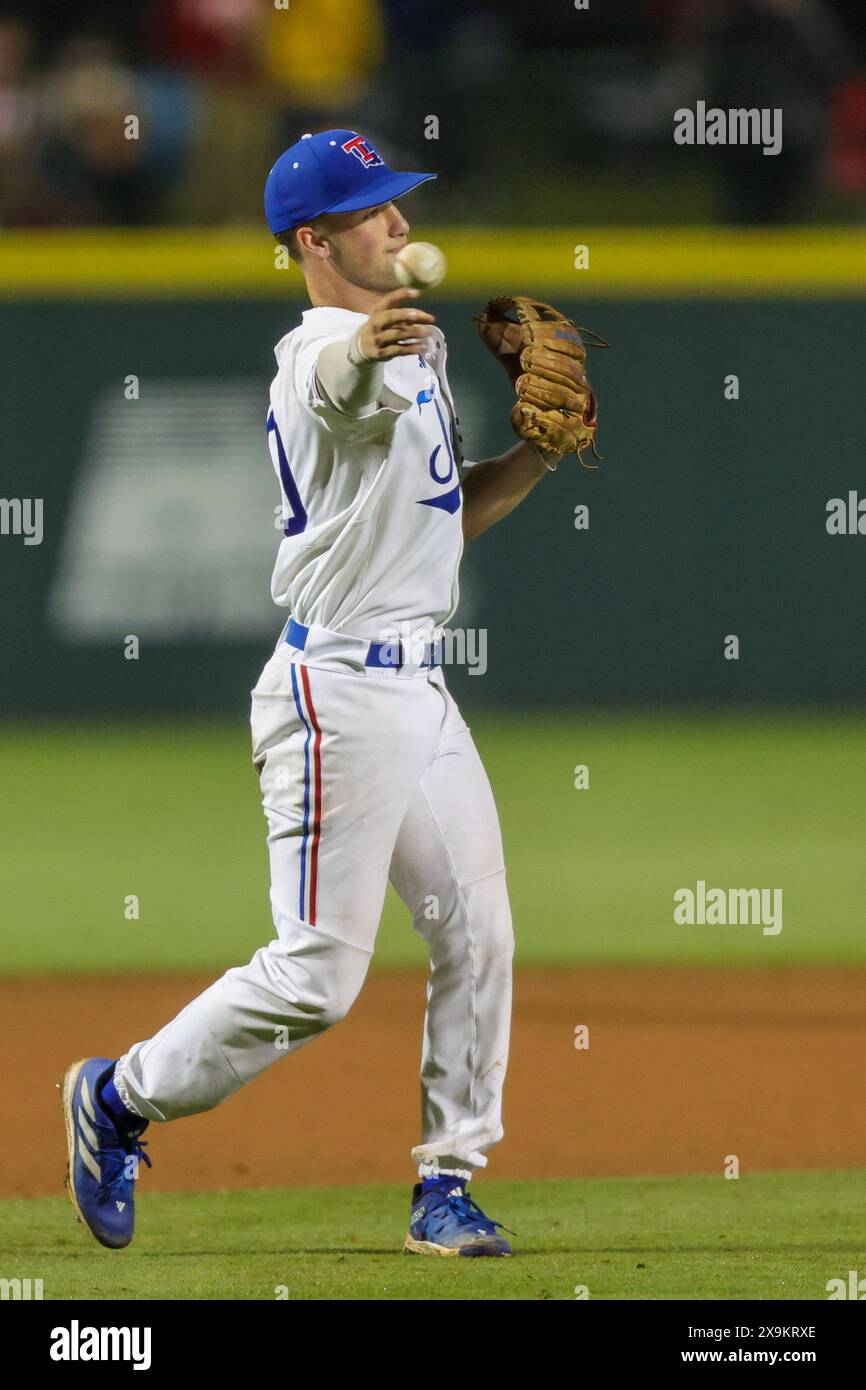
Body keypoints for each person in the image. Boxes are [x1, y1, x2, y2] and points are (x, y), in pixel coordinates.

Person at [61, 128, 562, 1259]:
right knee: (319, 977)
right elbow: (334, 396)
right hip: (331, 690)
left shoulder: (415, 348)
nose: (396, 220)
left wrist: (531, 456)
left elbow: (442, 515)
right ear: (313, 238)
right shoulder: (317, 354)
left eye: (397, 201)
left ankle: (447, 1182)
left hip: (417, 685)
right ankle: (116, 1097)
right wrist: (361, 351)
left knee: (477, 933)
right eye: (372, 207)